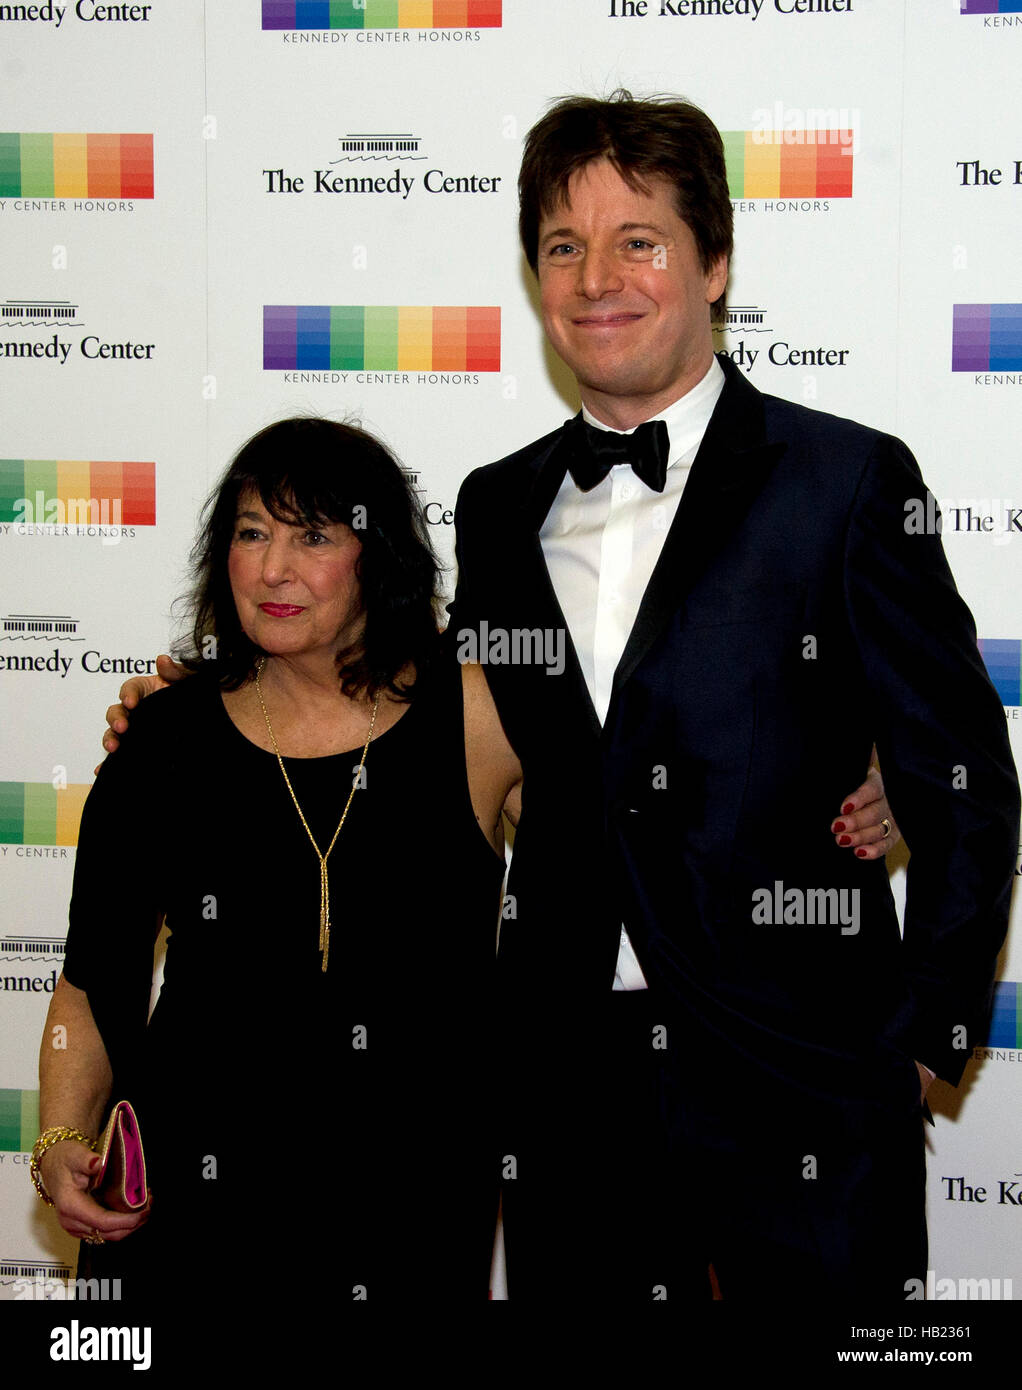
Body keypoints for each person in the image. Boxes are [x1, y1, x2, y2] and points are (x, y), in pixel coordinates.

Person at [446, 92, 1019, 1301]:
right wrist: (199, 698)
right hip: (566, 1084)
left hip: (798, 1072)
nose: (596, 277)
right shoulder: (493, 506)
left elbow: (963, 780)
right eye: (562, 246)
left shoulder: (844, 478)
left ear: (712, 263)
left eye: (637, 240)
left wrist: (916, 1044)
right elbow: (458, 735)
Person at [33, 417, 520, 1303]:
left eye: (314, 537)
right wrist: (63, 1138)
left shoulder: (477, 715)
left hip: (409, 1193)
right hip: (191, 1200)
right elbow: (90, 977)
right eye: (252, 533)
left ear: (378, 556)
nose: (273, 569)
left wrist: (860, 774)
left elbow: (649, 835)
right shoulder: (163, 739)